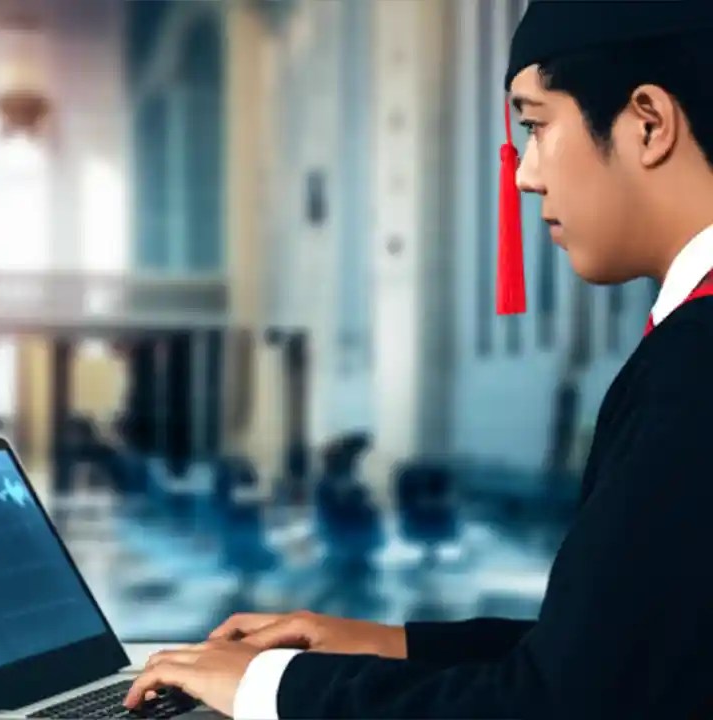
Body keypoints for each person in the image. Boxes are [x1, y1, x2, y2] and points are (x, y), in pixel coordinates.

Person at [123, 1, 713, 717]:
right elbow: (624, 652)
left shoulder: (693, 371)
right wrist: (383, 644)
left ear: (648, 122)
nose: (525, 175)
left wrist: (263, 688)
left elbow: (559, 705)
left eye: (536, 125)